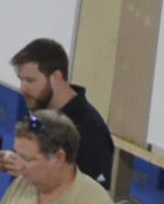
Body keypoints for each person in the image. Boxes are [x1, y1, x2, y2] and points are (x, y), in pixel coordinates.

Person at [7, 38, 116, 191]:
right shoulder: (38, 113)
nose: (23, 89)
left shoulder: (92, 132)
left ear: (57, 77)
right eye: (21, 80)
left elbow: (94, 194)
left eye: (30, 81)